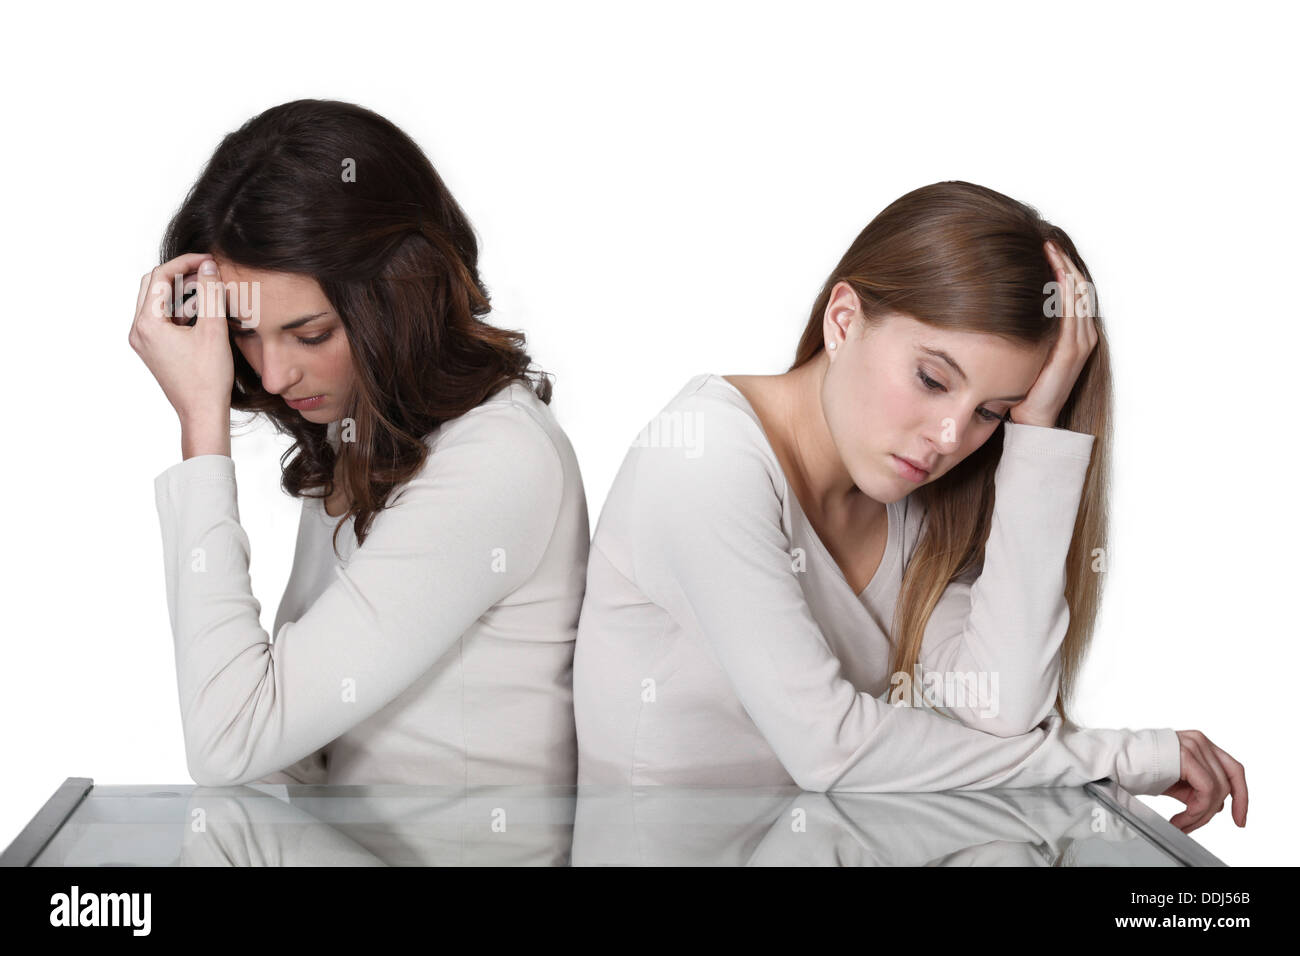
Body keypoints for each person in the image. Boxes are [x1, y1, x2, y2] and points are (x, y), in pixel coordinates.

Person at [573, 181, 1245, 834]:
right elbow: (831, 748)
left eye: (988, 411)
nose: (950, 438)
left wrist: (1037, 431)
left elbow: (1001, 709)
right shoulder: (705, 458)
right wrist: (1123, 757)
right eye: (931, 378)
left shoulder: (907, 501)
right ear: (843, 320)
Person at [129, 99, 589, 788]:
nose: (274, 375)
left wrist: (202, 426)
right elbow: (285, 754)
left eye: (311, 334)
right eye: (247, 335)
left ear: (400, 297)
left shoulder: (495, 459)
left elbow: (233, 739)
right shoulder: (365, 428)